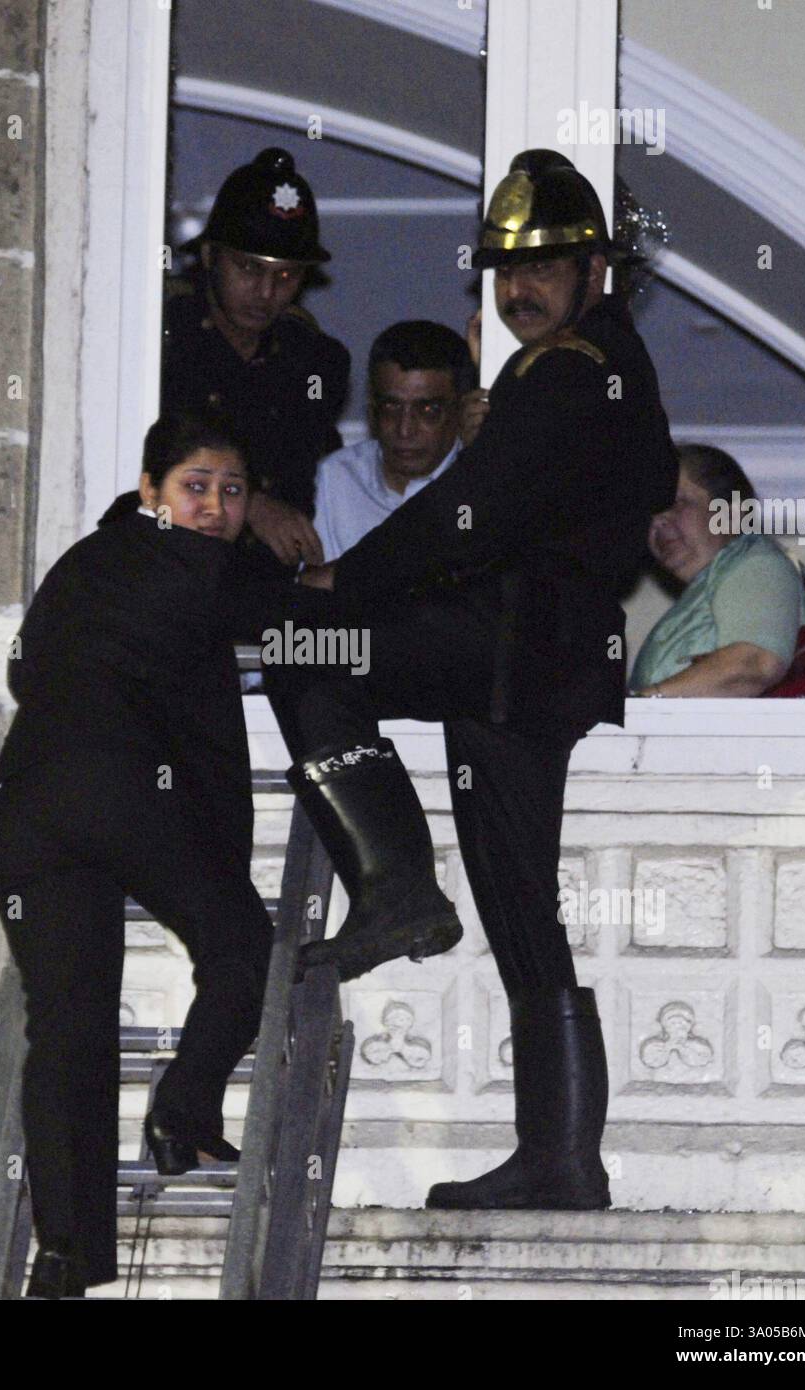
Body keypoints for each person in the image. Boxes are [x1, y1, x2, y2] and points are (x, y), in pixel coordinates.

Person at [264, 149, 679, 1212]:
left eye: (544, 266)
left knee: (302, 645)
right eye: (504, 269)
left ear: (596, 268)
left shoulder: (568, 369)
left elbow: (466, 516)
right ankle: (560, 1157)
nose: (516, 287)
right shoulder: (610, 368)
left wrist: (338, 580)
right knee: (517, 901)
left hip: (503, 644)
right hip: (539, 659)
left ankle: (396, 881)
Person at [0, 411, 296, 1298]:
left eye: (232, 493)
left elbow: (25, 670)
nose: (215, 508)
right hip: (118, 791)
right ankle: (183, 1110)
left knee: (69, 1029)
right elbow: (301, 625)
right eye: (195, 487)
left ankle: (67, 1254)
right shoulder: (204, 564)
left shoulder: (83, 562)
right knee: (242, 946)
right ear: (151, 492)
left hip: (27, 806)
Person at [161, 146, 351, 574]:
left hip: (267, 594)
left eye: (285, 275)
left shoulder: (314, 361)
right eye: (248, 268)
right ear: (211, 257)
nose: (266, 293)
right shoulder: (163, 342)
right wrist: (249, 504)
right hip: (170, 579)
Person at [630, 444, 805, 696]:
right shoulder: (711, 587)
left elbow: (754, 663)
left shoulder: (757, 563)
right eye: (648, 514)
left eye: (675, 502)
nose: (657, 521)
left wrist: (644, 704)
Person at [312, 320, 474, 562]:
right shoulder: (336, 479)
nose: (405, 429)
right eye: (391, 406)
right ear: (372, 407)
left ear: (461, 410)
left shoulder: (477, 487)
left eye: (428, 410)